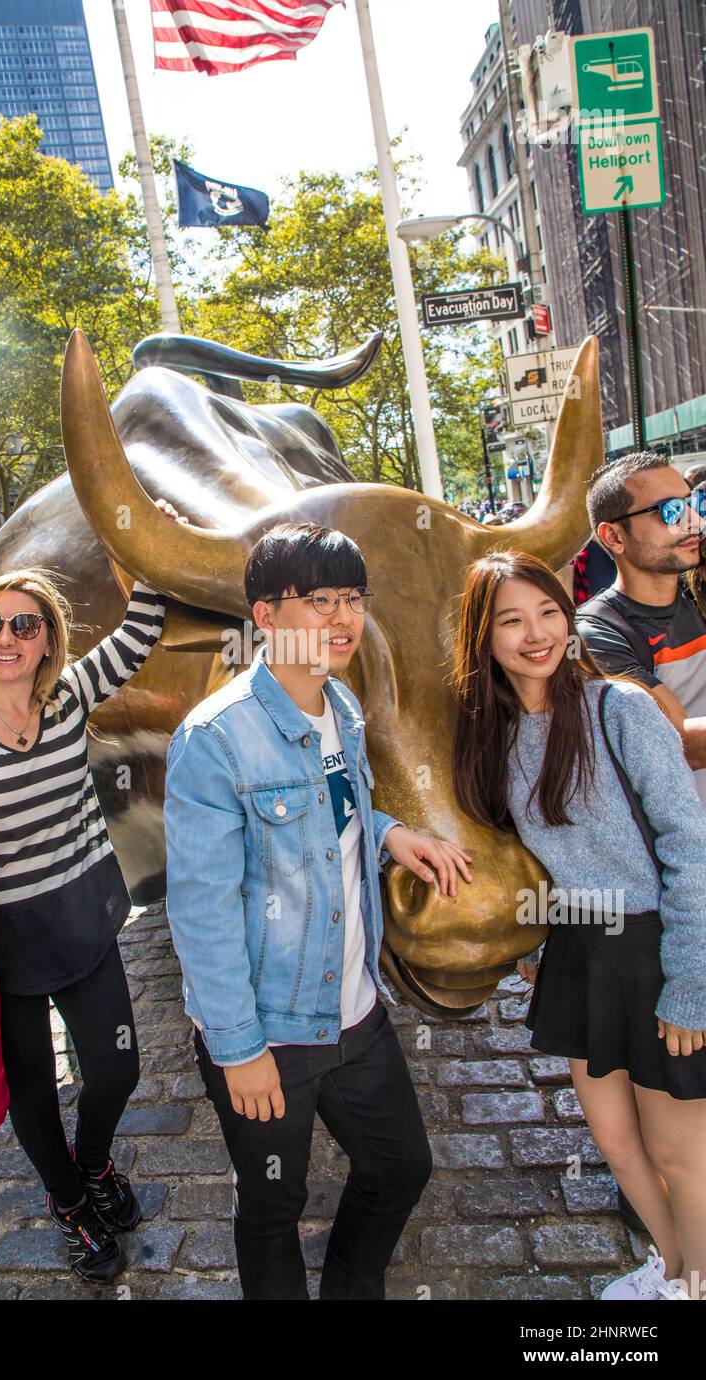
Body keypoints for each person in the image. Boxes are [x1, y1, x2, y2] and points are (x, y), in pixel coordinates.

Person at [164, 521, 472, 1301]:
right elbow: (201, 912)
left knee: (402, 1165)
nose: (343, 619)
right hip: (270, 1028)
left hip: (355, 1008)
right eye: (320, 600)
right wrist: (237, 1049)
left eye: (353, 599)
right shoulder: (216, 738)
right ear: (265, 616)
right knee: (273, 1205)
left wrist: (391, 833)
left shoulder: (341, 703)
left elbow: (336, 814)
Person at [0, 507, 178, 1283]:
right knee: (34, 1091)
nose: (8, 638)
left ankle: (94, 1164)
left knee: (115, 1071)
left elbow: (138, 631)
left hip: (85, 924)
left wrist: (148, 540)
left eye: (26, 624)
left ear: (48, 638)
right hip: (0, 948)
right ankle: (67, 1200)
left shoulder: (68, 699)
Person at [452, 548, 706, 1301]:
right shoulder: (488, 736)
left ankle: (696, 1286)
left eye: (550, 612)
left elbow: (690, 850)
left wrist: (691, 984)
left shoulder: (617, 707)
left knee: (680, 1152)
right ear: (483, 637)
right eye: (512, 621)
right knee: (621, 1150)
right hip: (579, 954)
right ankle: (674, 1272)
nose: (538, 634)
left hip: (659, 947)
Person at [577, 451, 706, 813]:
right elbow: (681, 741)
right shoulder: (596, 631)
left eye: (693, 503)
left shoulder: (699, 590)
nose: (694, 522)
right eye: (670, 511)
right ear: (614, 536)